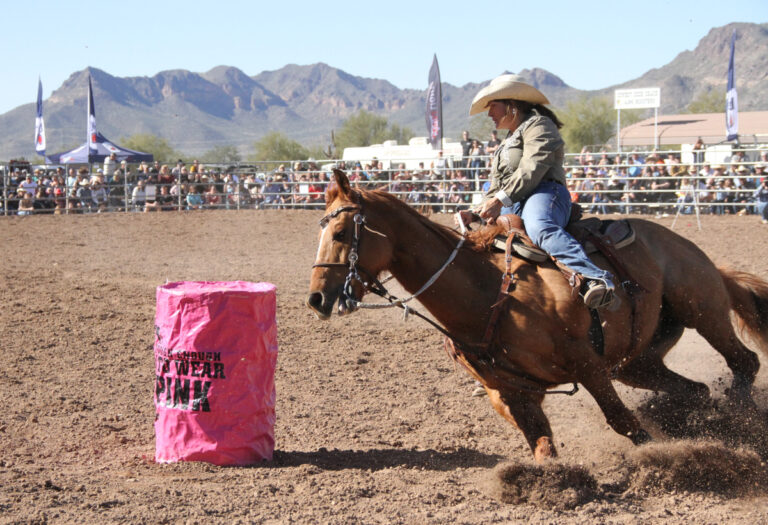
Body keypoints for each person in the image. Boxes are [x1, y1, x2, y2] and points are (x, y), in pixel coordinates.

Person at [457, 74, 615, 309]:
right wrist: (477, 211)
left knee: (540, 226)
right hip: (513, 199)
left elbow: (533, 167)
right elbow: (496, 184)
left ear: (511, 105)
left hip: (545, 192)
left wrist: (499, 200)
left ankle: (595, 277)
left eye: (493, 106)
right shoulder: (507, 141)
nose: (489, 114)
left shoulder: (540, 126)